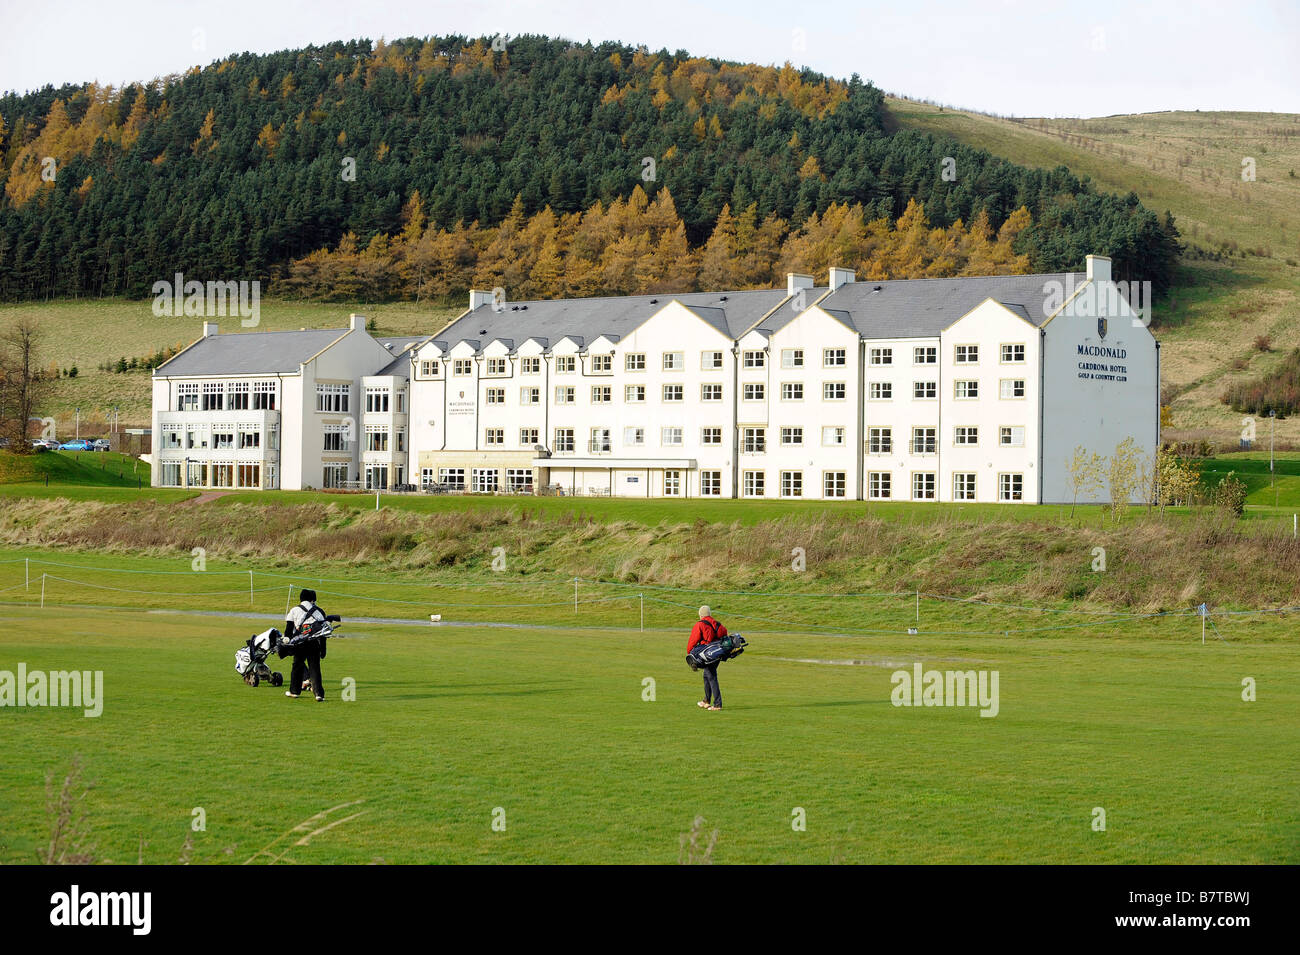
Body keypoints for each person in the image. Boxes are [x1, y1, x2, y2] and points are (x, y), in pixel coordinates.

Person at [282, 588, 329, 702]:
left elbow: (288, 630)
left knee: (297, 666)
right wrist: (323, 649)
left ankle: (294, 691)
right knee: (315, 668)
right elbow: (324, 632)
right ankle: (319, 694)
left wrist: (286, 643)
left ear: (301, 598)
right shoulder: (319, 611)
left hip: (300, 643)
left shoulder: (294, 610)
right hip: (314, 643)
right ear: (312, 599)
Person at [687, 605, 727, 711]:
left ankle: (718, 704)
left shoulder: (700, 625)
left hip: (706, 655)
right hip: (718, 654)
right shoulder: (718, 625)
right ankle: (706, 701)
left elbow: (693, 641)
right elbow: (725, 635)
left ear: (701, 615)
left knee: (711, 676)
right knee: (707, 675)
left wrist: (690, 654)